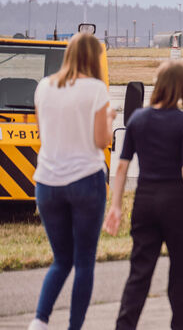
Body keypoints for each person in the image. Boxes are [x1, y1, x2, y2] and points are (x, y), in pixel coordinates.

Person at [105, 61, 183, 330]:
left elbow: (122, 167)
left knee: (139, 272)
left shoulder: (138, 119)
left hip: (145, 202)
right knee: (180, 272)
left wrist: (116, 206)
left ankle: (124, 326)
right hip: (177, 204)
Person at [29, 32, 114, 330]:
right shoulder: (96, 90)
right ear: (94, 58)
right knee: (84, 261)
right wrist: (110, 119)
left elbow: (43, 133)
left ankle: (39, 321)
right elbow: (101, 140)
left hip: (47, 183)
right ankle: (74, 326)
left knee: (61, 259)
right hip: (85, 181)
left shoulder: (44, 87)